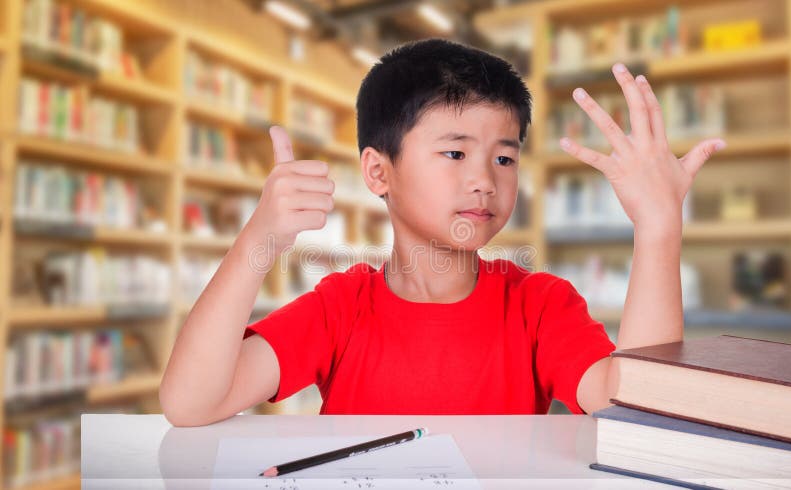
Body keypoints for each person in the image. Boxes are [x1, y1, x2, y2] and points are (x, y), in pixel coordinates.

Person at [159, 38, 725, 426]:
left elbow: (635, 409)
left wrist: (658, 228)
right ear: (378, 172)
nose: (484, 180)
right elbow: (190, 404)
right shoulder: (340, 308)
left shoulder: (539, 306)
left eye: (504, 158)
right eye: (455, 153)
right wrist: (261, 238)